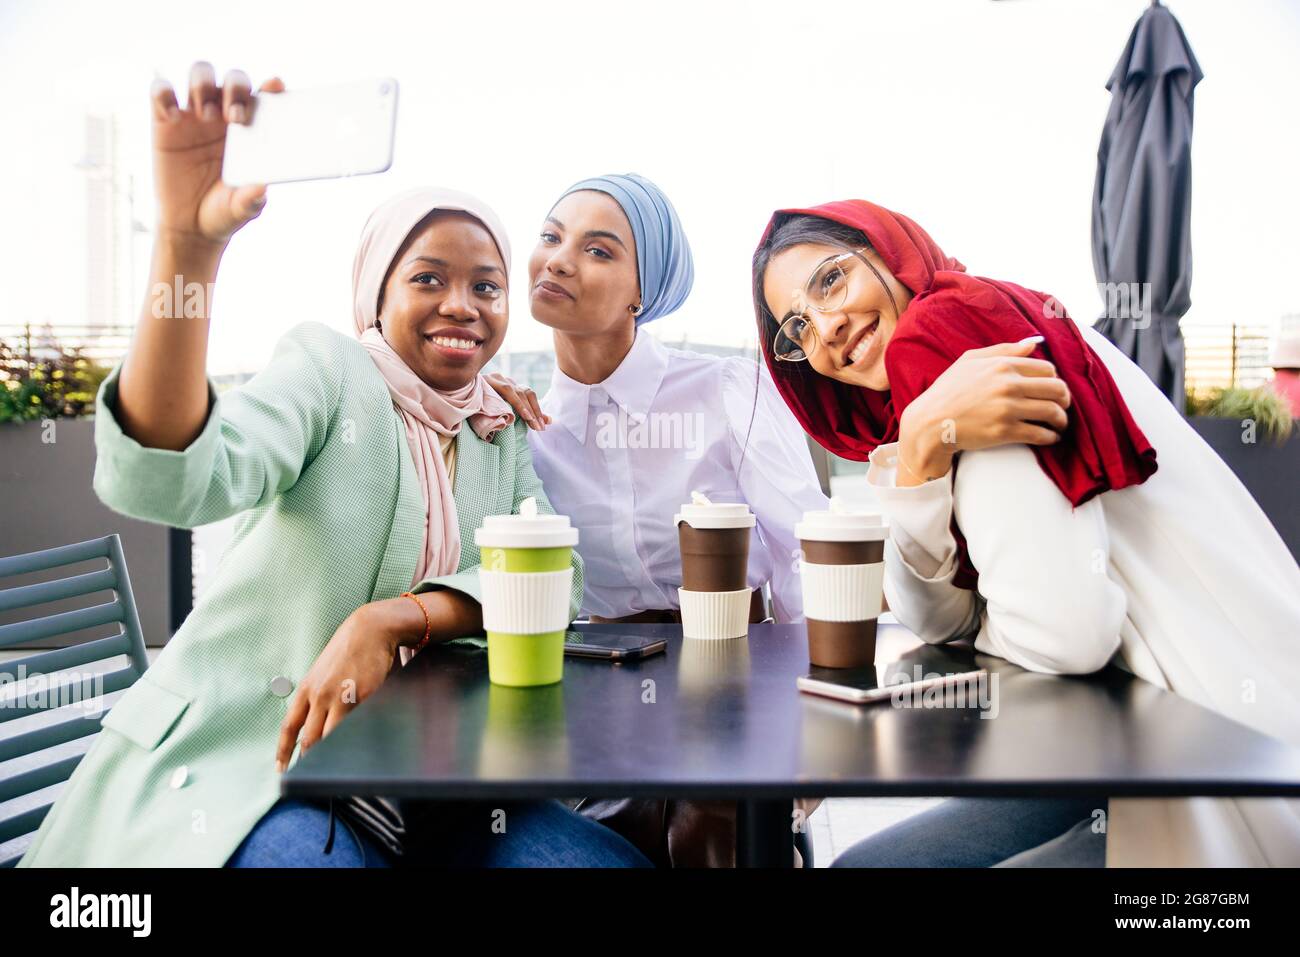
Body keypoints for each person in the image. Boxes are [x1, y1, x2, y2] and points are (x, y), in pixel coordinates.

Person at [19, 62, 648, 868]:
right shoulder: (326, 371)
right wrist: (187, 248)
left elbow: (556, 582)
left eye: (486, 286)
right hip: (259, 768)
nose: (463, 303)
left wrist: (396, 618)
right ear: (374, 298)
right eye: (428, 278)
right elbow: (173, 477)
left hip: (434, 782)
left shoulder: (498, 427)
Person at [753, 199, 1300, 867]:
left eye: (831, 280)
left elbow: (1065, 636)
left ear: (888, 252)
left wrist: (989, 621)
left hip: (1231, 765)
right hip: (1128, 743)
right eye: (798, 327)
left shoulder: (974, 347)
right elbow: (935, 618)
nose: (827, 326)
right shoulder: (932, 398)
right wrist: (921, 451)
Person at [522, 173, 827, 625]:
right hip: (596, 669)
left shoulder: (727, 391)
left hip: (738, 658)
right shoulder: (526, 431)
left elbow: (803, 548)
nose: (559, 262)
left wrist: (812, 676)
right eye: (551, 237)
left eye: (598, 251)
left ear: (643, 291)